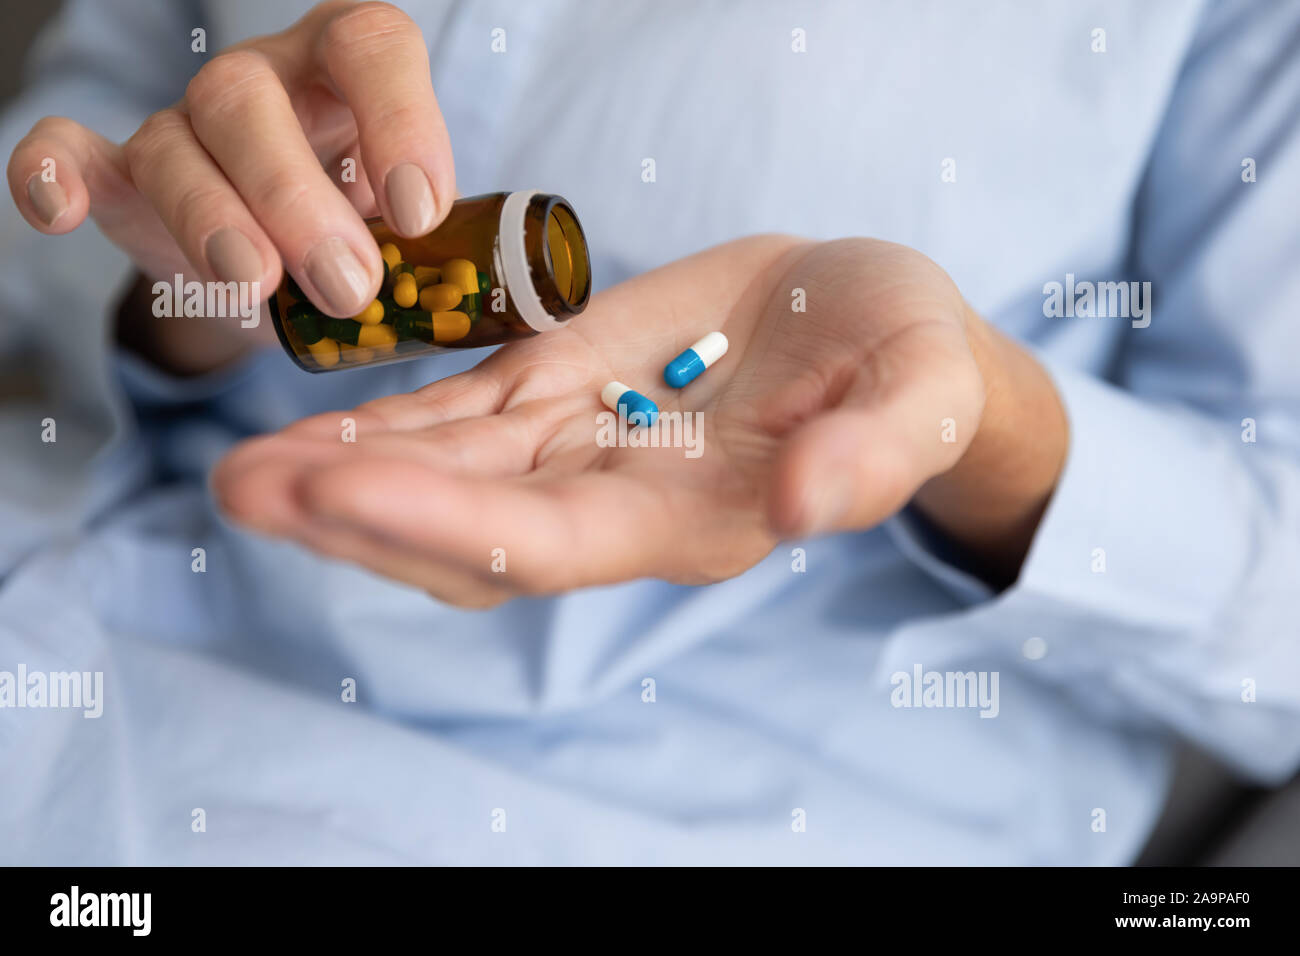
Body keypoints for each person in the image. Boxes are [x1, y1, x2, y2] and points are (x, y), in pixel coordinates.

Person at [1, 0, 1297, 865]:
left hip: (707, 799)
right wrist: (189, 286)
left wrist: (984, 410)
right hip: (96, 597)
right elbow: (65, 174)